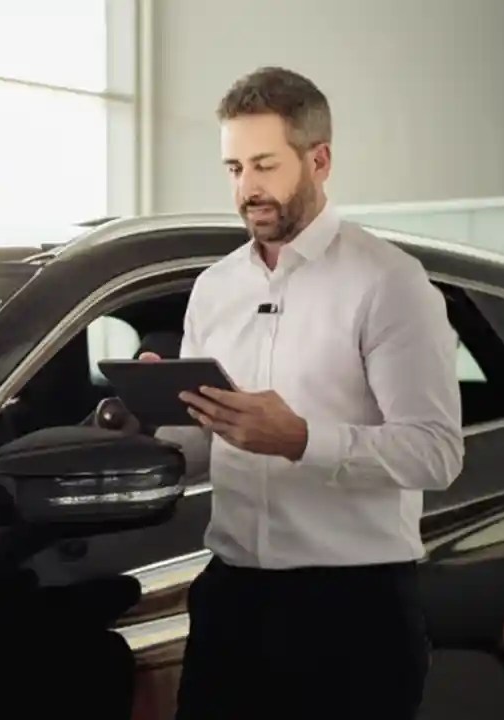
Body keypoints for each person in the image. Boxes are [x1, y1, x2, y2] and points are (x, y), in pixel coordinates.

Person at [124, 66, 464, 719]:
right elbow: (202, 446)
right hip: (230, 603)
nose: (247, 188)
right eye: (232, 169)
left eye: (264, 165)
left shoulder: (389, 283)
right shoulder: (215, 288)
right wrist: (149, 420)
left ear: (320, 160)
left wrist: (302, 439)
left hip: (350, 616)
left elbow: (436, 453)